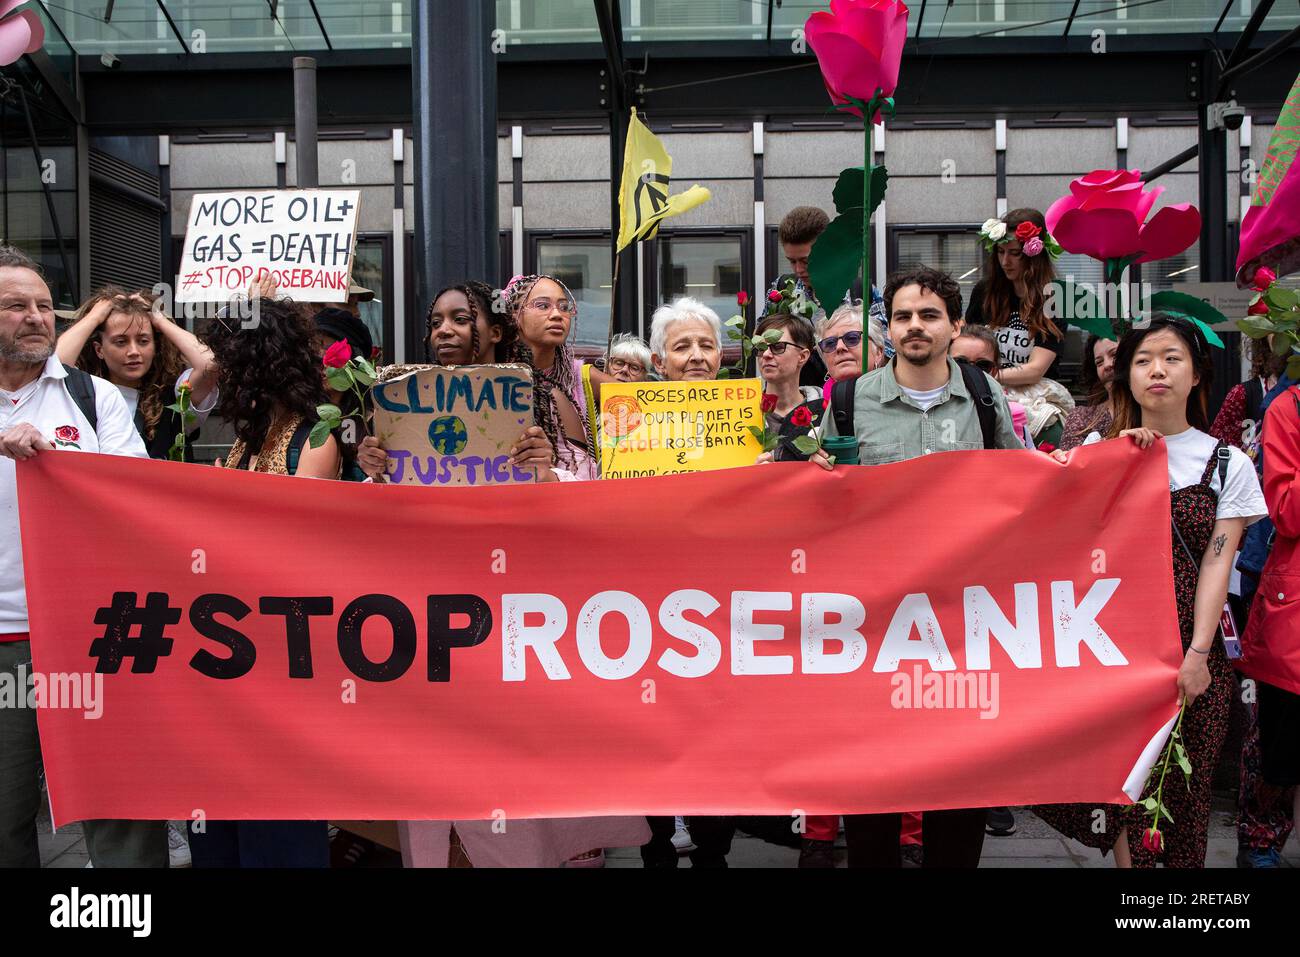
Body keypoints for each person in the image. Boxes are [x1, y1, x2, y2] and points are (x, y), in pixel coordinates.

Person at [1037, 315, 1267, 868]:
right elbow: (1056, 537)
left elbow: (1217, 564)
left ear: (1195, 374)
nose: (1156, 371)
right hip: (1110, 649)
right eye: (1142, 360)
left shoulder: (1227, 462)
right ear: (1126, 376)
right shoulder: (1098, 447)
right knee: (1119, 790)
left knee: (1185, 800)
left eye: (1171, 358)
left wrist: (1198, 655)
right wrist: (1112, 463)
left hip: (1193, 654)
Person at [813, 265, 1023, 868]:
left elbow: (1021, 486)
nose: (914, 327)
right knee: (873, 770)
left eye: (929, 315)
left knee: (961, 770)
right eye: (903, 315)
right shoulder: (850, 400)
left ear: (955, 325)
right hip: (875, 622)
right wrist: (819, 479)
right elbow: (827, 505)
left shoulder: (985, 397)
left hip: (961, 621)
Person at [0, 245, 165, 869]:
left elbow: (137, 502)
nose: (38, 317)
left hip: (93, 637)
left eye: (44, 305)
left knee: (122, 819)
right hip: (4, 641)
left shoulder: (95, 398)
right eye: (16, 306)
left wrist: (60, 466)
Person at [356, 281, 561, 484]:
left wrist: (544, 473)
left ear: (495, 333)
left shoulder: (542, 401)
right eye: (435, 323)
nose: (443, 330)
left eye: (460, 320)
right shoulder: (403, 401)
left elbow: (581, 487)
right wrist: (376, 470)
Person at [1237, 375, 1300, 867]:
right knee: (1279, 735)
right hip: (1293, 605)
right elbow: (1286, 512)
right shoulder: (1287, 408)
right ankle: (1261, 839)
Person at [56, 287, 219, 461]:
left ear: (155, 345)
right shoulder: (83, 395)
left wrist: (161, 321)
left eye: (143, 341)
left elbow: (209, 365)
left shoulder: (175, 398)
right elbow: (54, 369)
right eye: (121, 342)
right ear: (99, 349)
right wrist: (94, 317)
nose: (133, 351)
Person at [966, 208, 1073, 445]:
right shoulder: (984, 292)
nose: (1005, 261)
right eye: (1001, 252)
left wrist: (986, 374)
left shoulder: (1054, 297)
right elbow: (966, 345)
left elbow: (1035, 370)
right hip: (986, 390)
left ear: (1034, 255)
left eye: (1014, 253)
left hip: (1037, 397)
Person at [507, 274, 609, 480]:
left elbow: (644, 401)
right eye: (543, 306)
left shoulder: (581, 376)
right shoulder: (496, 378)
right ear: (514, 316)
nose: (557, 315)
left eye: (564, 307)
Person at [950, 323, 1033, 449]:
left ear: (994, 371)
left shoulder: (1000, 407)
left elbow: (1019, 459)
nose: (971, 372)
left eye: (983, 365)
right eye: (960, 363)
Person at [755, 313, 823, 464]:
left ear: (803, 356)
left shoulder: (826, 411)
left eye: (778, 347)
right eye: (760, 347)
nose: (766, 354)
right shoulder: (741, 413)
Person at [1060, 334, 1118, 451]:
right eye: (1099, 362)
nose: (1107, 365)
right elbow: (1071, 465)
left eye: (1114, 355)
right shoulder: (1082, 417)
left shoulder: (1152, 410)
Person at [816, 303, 885, 399]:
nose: (839, 347)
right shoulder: (811, 412)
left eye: (852, 338)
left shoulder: (901, 401)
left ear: (878, 352)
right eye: (830, 343)